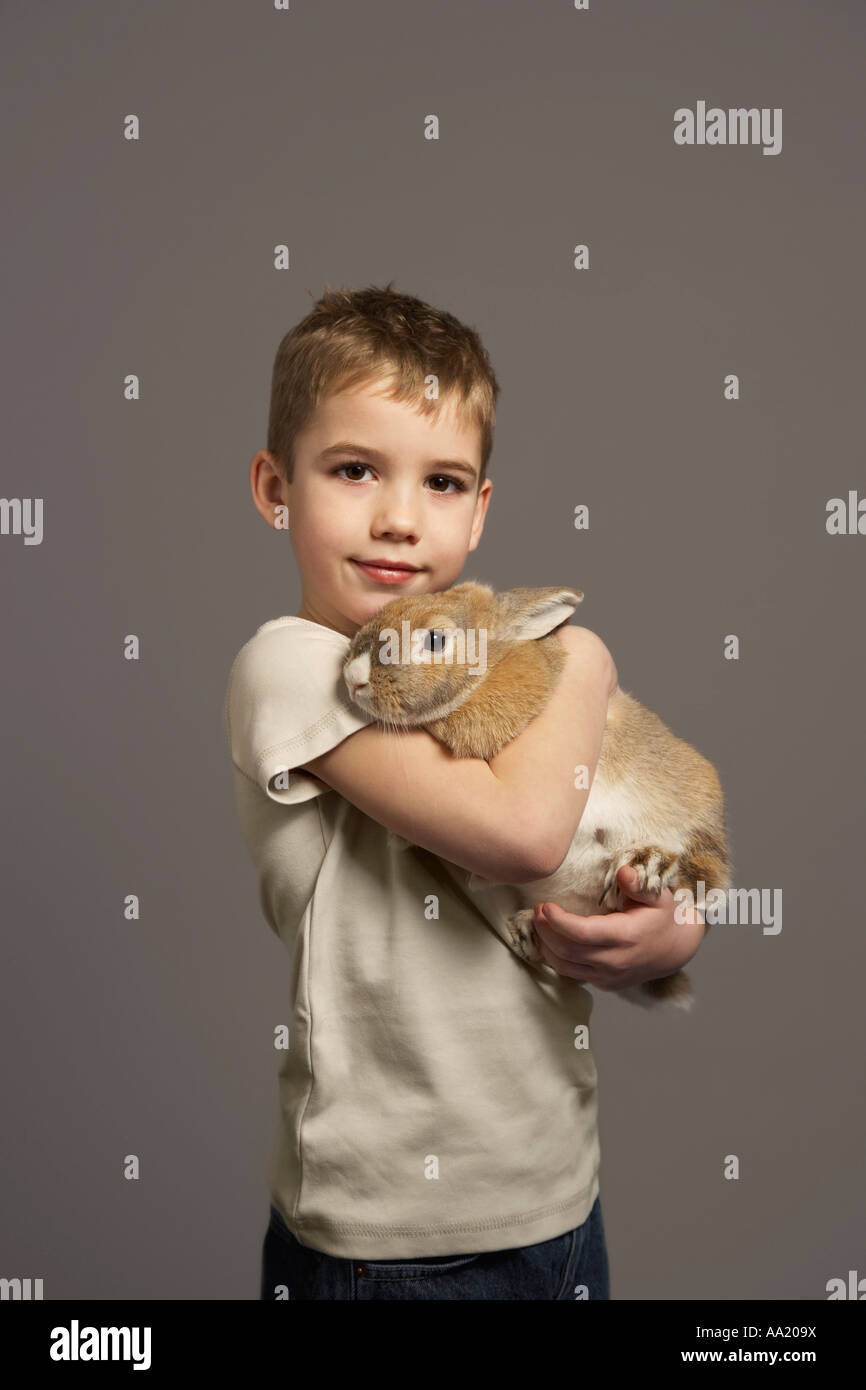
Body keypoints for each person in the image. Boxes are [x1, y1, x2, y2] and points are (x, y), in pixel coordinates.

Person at [223, 282, 707, 1300]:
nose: (399, 519)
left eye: (442, 482)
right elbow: (526, 832)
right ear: (275, 487)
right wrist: (586, 658)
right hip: (382, 1237)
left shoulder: (493, 662)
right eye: (353, 470)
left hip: (556, 1199)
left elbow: (594, 844)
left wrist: (666, 932)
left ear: (480, 509)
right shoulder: (292, 665)